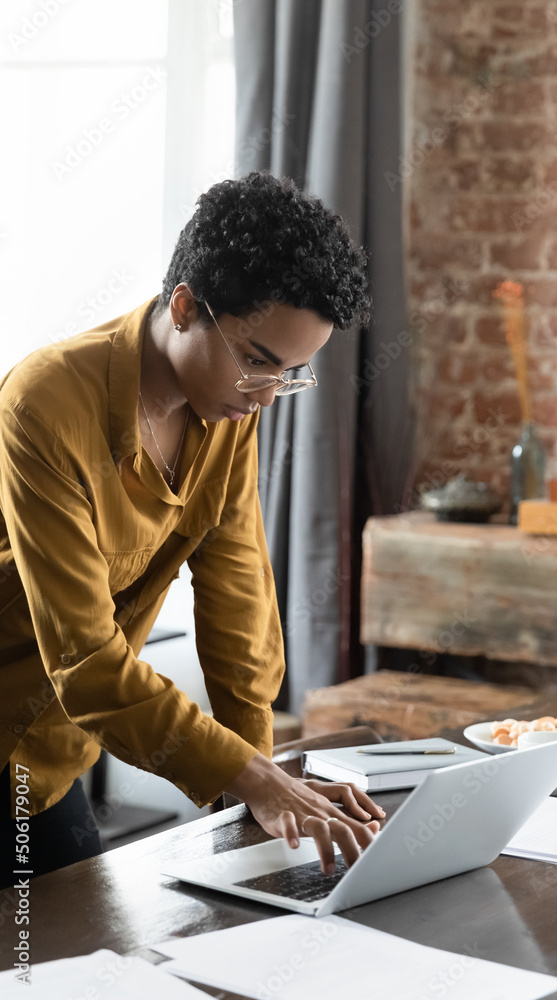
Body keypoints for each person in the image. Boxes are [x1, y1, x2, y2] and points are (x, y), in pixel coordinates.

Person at [0, 171, 383, 890]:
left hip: (54, 749)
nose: (269, 393)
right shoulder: (44, 404)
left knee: (82, 965)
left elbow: (238, 597)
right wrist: (251, 780)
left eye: (293, 372)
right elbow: (85, 659)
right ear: (183, 307)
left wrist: (264, 781)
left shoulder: (229, 404)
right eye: (257, 360)